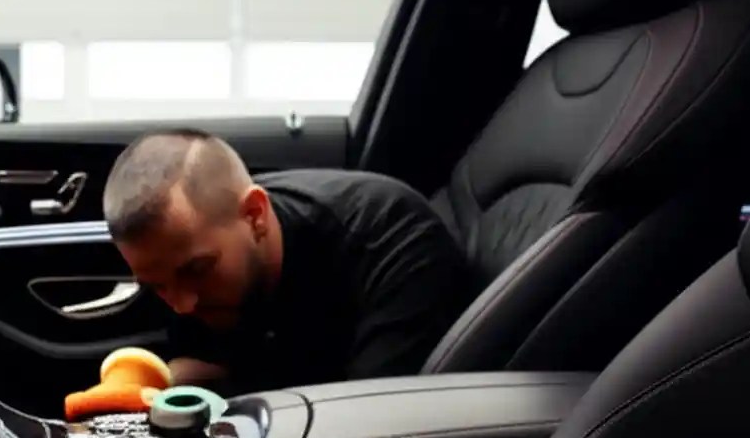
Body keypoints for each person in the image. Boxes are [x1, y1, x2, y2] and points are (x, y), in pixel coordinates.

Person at [103, 128, 474, 395]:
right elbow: (209, 364)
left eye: (197, 271)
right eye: (157, 286)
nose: (182, 305)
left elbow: (367, 431)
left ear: (255, 215)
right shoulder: (189, 250)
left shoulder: (394, 246)